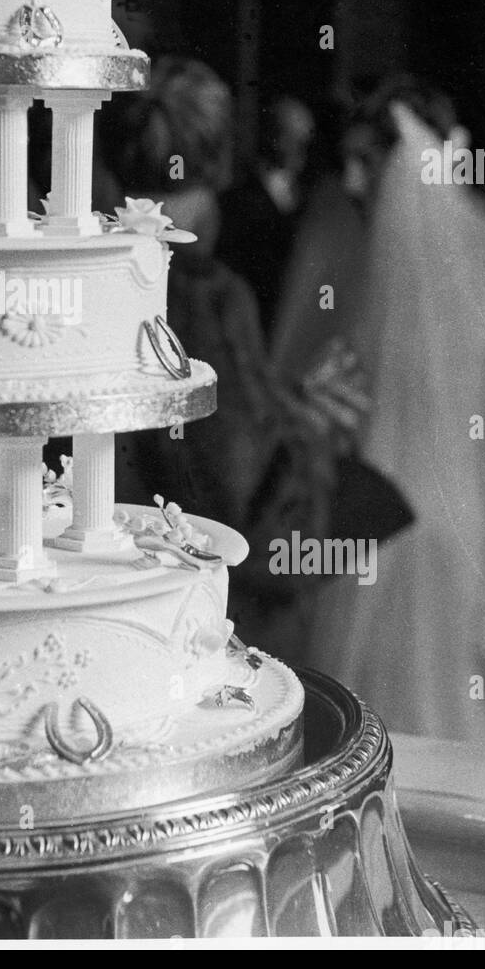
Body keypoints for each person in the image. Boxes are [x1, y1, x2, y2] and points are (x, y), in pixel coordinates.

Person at [275, 75, 485, 742]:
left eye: (368, 161)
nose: (353, 183)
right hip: (364, 528)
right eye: (348, 161)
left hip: (454, 546)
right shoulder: (363, 263)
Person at [101, 59, 356, 657]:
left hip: (104, 575)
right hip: (197, 604)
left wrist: (279, 397)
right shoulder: (210, 297)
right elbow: (238, 482)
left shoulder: (91, 273)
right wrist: (308, 432)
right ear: (218, 163)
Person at [216, 92, 317, 336]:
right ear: (274, 138)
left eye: (305, 140)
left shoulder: (312, 194)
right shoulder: (237, 199)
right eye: (292, 138)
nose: (300, 149)